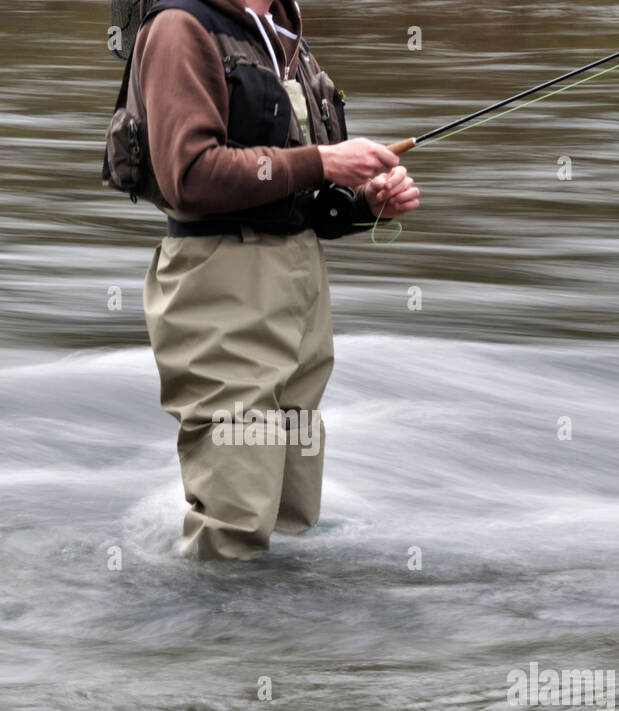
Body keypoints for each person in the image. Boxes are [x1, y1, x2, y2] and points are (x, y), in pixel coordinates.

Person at [122, 0, 420, 558]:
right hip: (221, 286)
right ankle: (211, 633)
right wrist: (325, 163)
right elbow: (189, 176)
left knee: (291, 504)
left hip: (299, 286)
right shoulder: (180, 29)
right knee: (235, 513)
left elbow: (293, 186)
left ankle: (280, 638)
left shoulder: (281, 33)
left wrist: (365, 203)